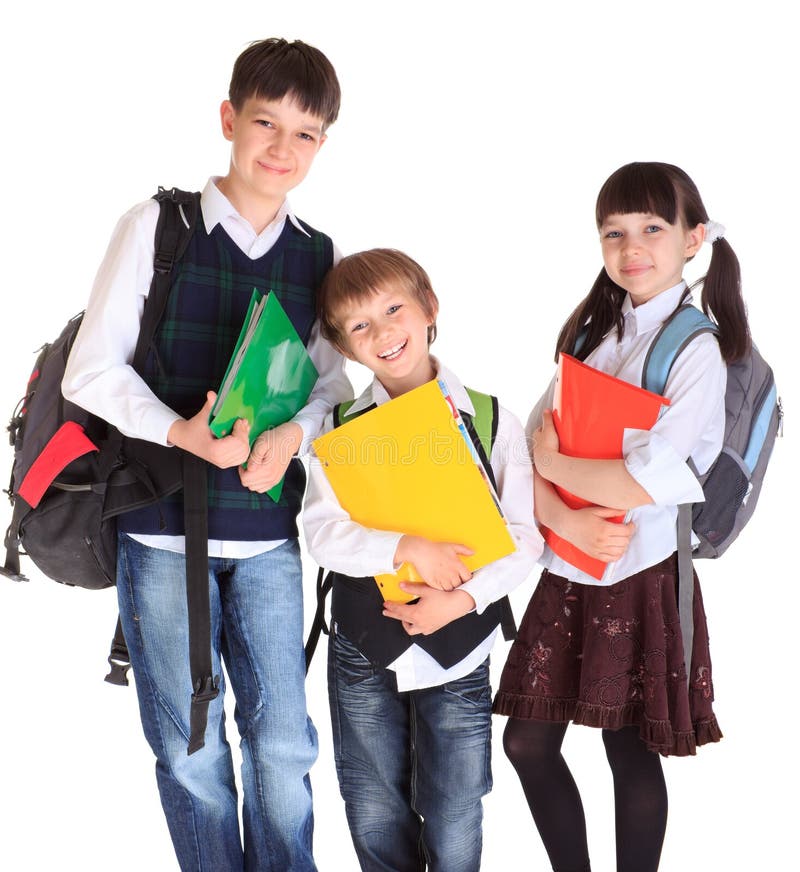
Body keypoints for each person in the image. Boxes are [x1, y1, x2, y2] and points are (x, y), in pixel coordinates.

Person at [62, 38, 352, 872]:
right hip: (159, 526)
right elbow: (91, 369)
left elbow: (332, 387)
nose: (281, 148)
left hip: (266, 532)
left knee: (284, 746)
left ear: (322, 145)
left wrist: (296, 434)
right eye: (265, 122)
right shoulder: (157, 225)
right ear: (229, 119)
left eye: (305, 133)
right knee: (188, 748)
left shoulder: (317, 253)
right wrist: (180, 431)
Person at [493, 161, 750, 872]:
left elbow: (655, 478)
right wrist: (563, 516)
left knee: (626, 746)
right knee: (528, 742)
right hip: (572, 559)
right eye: (614, 232)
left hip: (642, 569)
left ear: (693, 238)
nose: (631, 247)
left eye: (651, 229)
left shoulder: (695, 347)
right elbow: (525, 452)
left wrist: (554, 470)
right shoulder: (592, 332)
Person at [302, 248, 542, 872]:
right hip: (362, 642)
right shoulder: (336, 427)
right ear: (342, 346)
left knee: (458, 804)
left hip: (460, 639)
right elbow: (321, 533)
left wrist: (461, 599)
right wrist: (403, 547)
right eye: (358, 325)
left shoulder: (491, 419)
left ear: (429, 308)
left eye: (392, 309)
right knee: (371, 802)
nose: (382, 332)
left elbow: (525, 536)